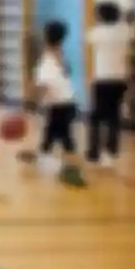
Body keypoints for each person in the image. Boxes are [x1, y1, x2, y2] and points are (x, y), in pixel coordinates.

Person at [24, 21, 86, 187]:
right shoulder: (59, 54)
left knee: (63, 140)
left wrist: (31, 103)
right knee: (55, 137)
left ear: (45, 36)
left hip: (59, 106)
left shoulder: (47, 62)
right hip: (67, 104)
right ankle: (43, 158)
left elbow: (43, 86)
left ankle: (74, 171)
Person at [86, 1, 134, 168]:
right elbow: (134, 31)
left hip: (102, 79)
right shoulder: (125, 32)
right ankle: (111, 151)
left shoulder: (97, 32)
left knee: (95, 117)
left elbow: (89, 38)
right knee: (114, 116)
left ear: (100, 16)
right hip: (120, 80)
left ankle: (93, 152)